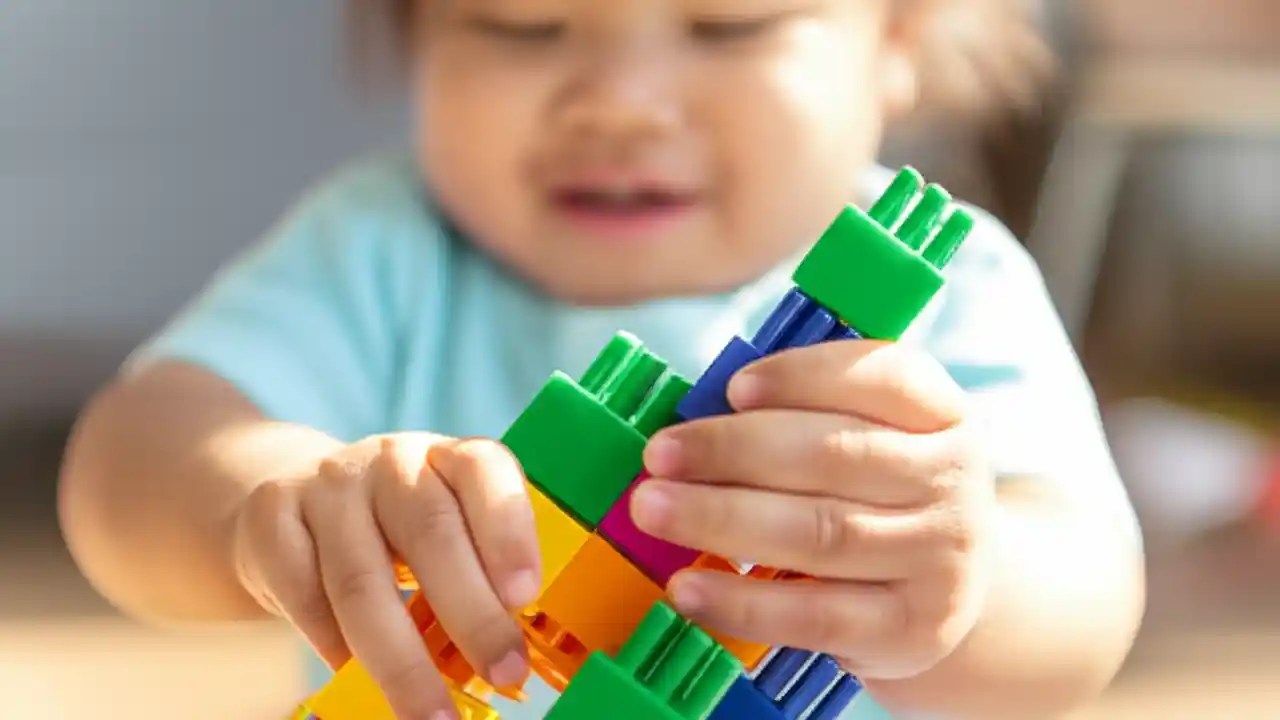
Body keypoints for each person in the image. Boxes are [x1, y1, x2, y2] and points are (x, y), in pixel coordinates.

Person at [57, 1, 1146, 718]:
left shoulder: (939, 292)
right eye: (521, 22)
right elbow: (130, 462)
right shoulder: (381, 249)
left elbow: (1083, 604)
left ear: (897, 38)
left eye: (729, 22)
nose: (619, 102)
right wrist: (268, 504)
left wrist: (967, 580)